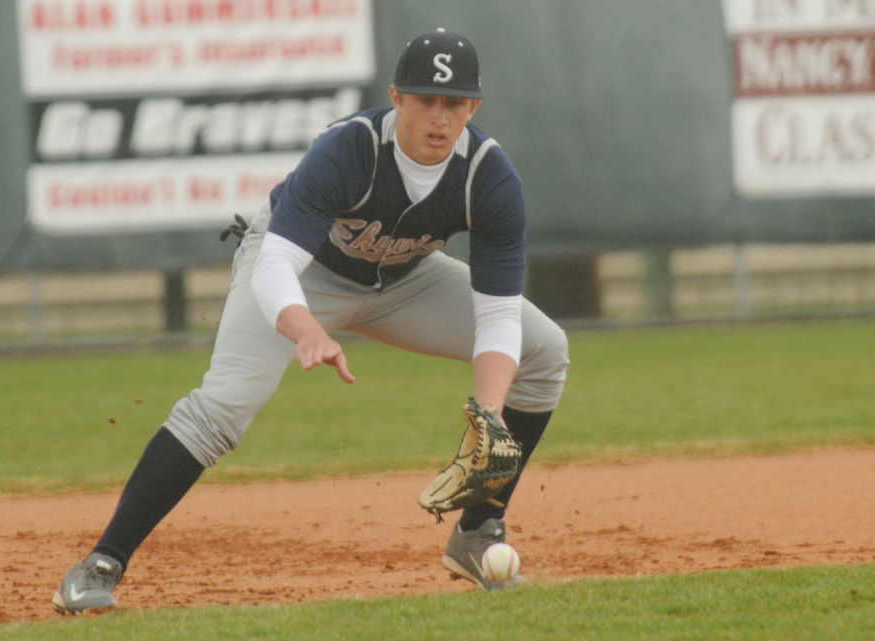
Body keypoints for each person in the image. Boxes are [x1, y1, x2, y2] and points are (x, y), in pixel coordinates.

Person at [52, 27, 569, 613]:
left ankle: (476, 533)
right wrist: (305, 328)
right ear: (396, 97)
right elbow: (275, 264)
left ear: (473, 107)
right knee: (223, 406)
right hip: (303, 278)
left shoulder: (490, 177)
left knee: (545, 351)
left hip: (405, 279)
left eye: (454, 103)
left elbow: (498, 314)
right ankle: (100, 565)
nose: (439, 117)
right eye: (425, 98)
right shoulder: (348, 150)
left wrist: (491, 415)